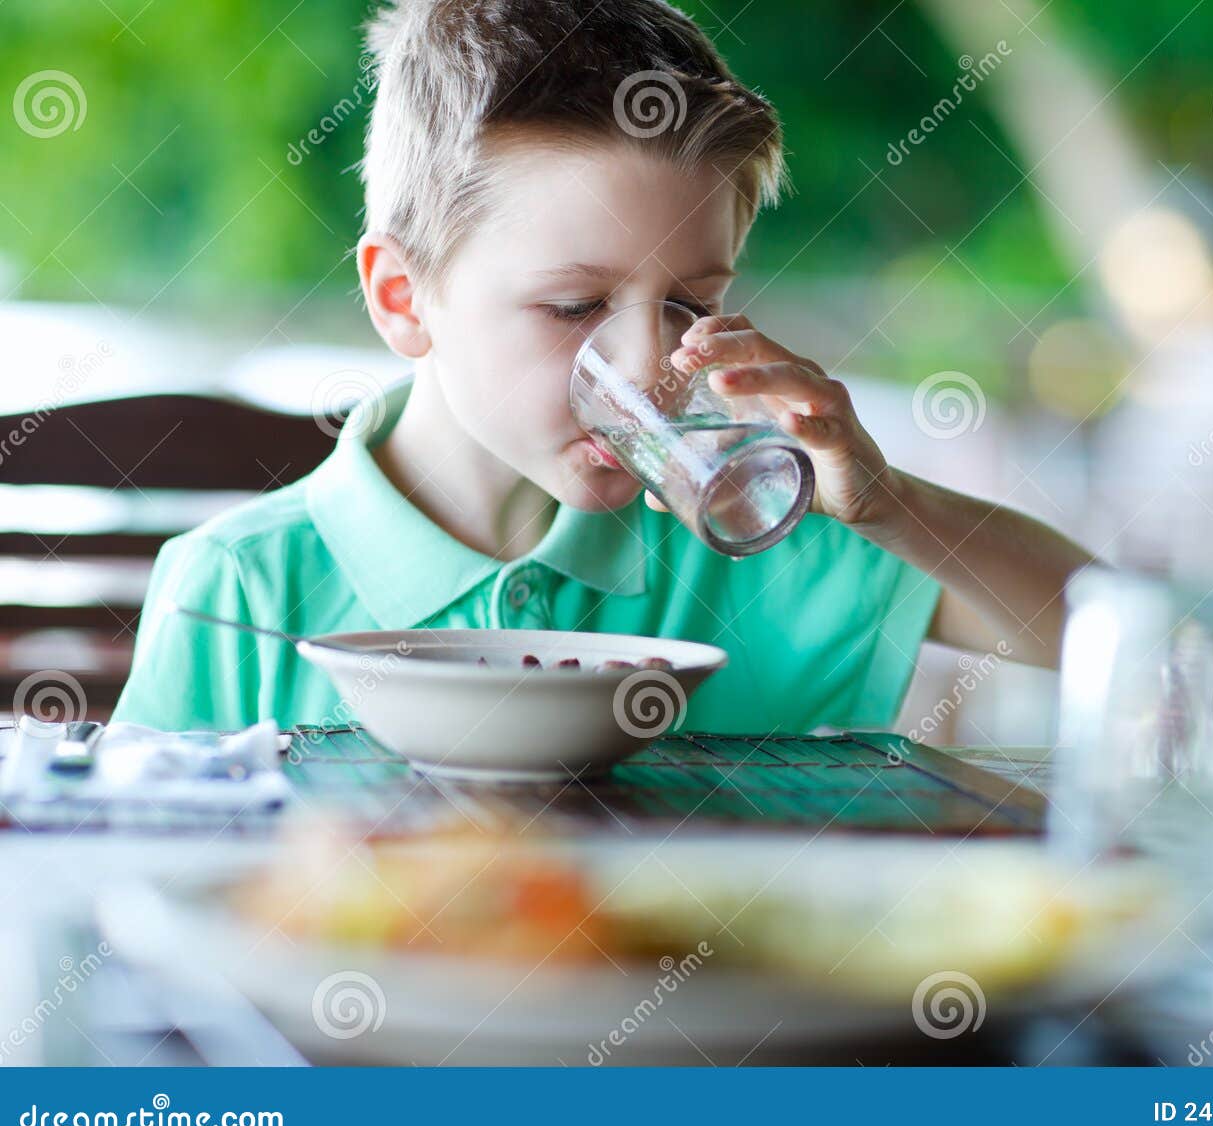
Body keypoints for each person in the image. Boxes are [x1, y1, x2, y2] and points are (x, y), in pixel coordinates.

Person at [114, 0, 1091, 733]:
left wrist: (886, 506)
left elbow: (1100, 634)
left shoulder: (748, 541)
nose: (650, 363)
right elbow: (131, 888)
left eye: (691, 304)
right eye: (575, 306)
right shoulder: (235, 591)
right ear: (405, 300)